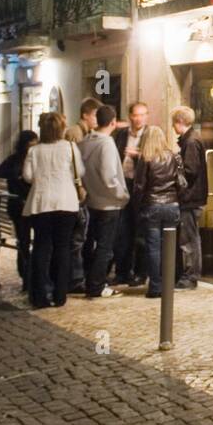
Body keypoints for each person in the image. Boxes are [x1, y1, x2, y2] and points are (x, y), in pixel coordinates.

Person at [22, 112, 84, 309]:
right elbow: (79, 171)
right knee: (63, 248)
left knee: (41, 247)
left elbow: (27, 176)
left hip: (41, 203)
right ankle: (60, 294)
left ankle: (40, 295)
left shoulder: (34, 151)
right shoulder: (70, 147)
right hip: (66, 202)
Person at [131, 125, 186, 299]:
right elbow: (182, 184)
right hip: (172, 206)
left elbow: (139, 186)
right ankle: (169, 284)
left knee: (153, 248)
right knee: (169, 247)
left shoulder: (145, 158)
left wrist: (136, 206)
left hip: (152, 206)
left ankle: (155, 287)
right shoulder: (174, 156)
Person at [78, 104, 127, 298]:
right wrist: (122, 194)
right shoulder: (106, 144)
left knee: (92, 244)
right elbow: (109, 176)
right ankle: (96, 285)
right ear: (113, 122)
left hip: (92, 200)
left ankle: (91, 279)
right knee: (105, 247)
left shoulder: (85, 141)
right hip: (109, 202)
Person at [111, 101, 149, 286]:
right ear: (130, 116)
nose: (139, 118)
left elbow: (156, 159)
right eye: (136, 115)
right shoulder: (121, 134)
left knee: (141, 232)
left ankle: (141, 272)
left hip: (140, 188)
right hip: (123, 184)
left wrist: (138, 156)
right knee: (122, 231)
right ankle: (122, 271)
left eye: (142, 114)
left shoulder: (150, 135)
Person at [0, 130, 38, 294]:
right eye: (32, 143)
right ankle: (27, 276)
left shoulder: (16, 159)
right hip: (21, 207)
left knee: (26, 241)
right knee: (25, 241)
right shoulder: (18, 160)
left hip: (22, 207)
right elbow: (1, 172)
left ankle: (28, 275)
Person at [171, 106, 208, 289]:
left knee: (189, 239)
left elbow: (190, 171)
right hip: (193, 197)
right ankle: (189, 274)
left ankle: (190, 276)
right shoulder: (192, 139)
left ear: (179, 122)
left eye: (173, 123)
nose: (172, 127)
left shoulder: (191, 142)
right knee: (190, 238)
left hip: (190, 198)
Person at [63, 125, 89, 295]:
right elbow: (80, 172)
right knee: (77, 242)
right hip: (75, 201)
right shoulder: (73, 151)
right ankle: (76, 278)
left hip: (62, 203)